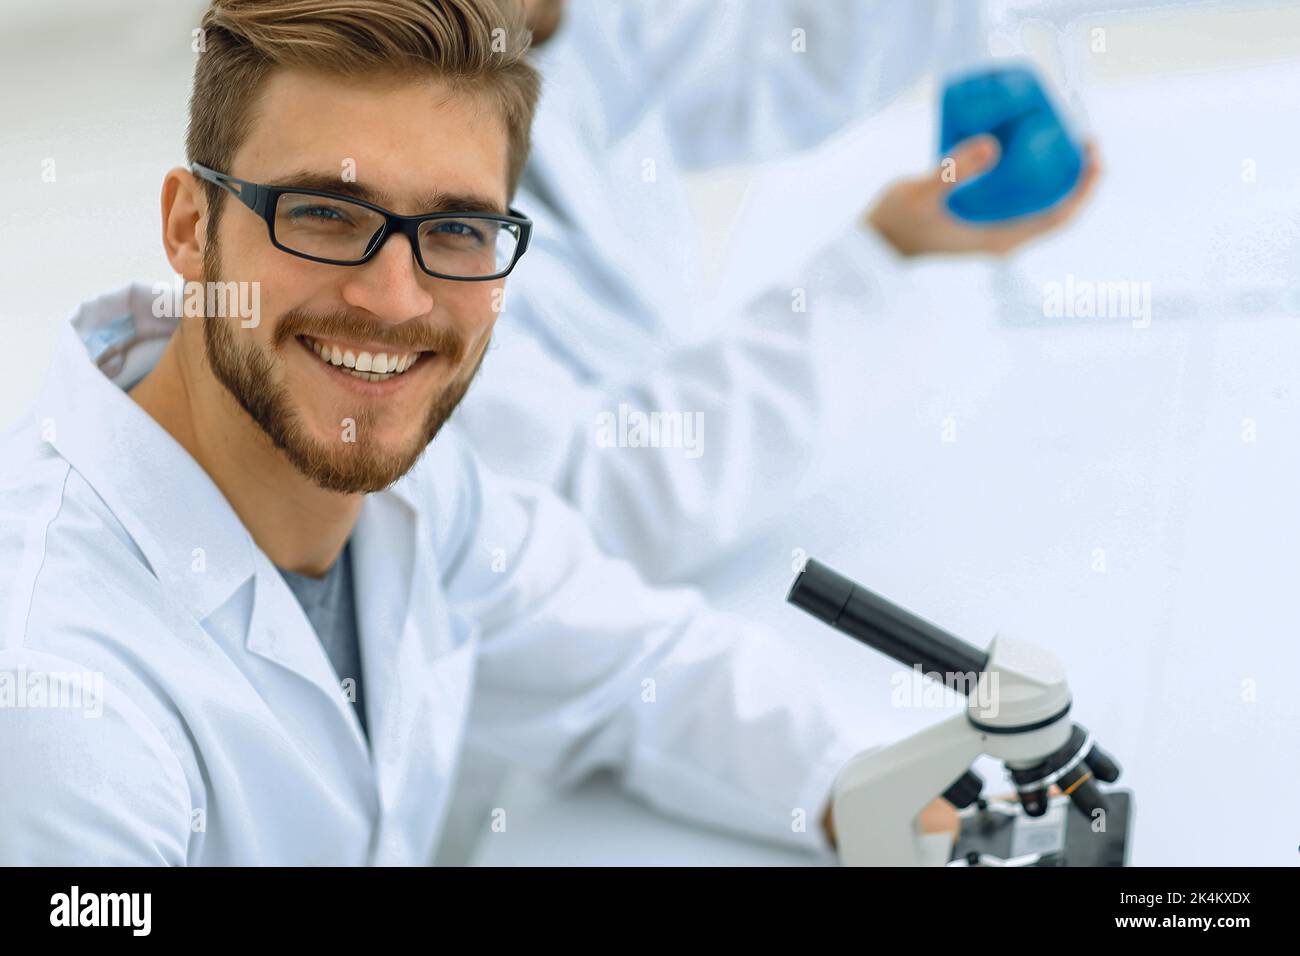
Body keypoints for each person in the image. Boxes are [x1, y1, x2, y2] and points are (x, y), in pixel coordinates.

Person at [0, 0, 957, 865]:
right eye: (326, 214)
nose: (393, 299)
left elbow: (641, 669)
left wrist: (863, 788)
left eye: (457, 231)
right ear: (188, 224)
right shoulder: (63, 708)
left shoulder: (421, 493)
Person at [458, 0, 1101, 584]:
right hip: (609, 620)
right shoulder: (403, 202)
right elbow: (596, 500)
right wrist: (883, 258)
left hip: (727, 553)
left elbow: (765, 59)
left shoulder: (551, 25)